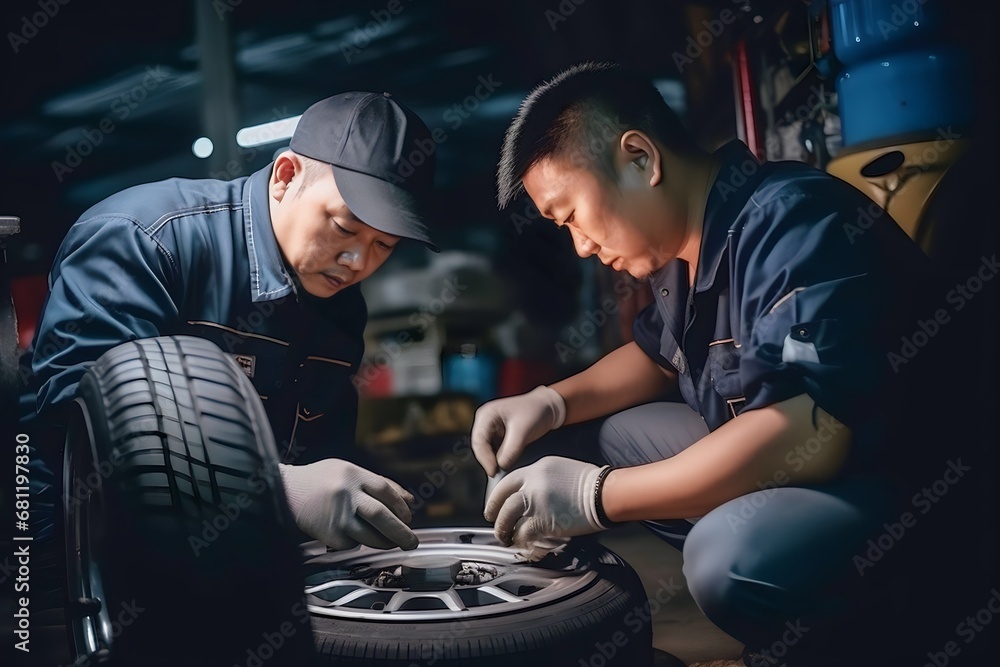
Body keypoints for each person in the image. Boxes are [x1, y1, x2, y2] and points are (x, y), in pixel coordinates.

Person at [473, 62, 957, 664]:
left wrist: (599, 496)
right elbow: (655, 360)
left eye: (570, 215)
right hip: (805, 468)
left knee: (727, 558)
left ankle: (879, 637)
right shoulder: (684, 251)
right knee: (610, 434)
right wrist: (548, 401)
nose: (580, 245)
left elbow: (814, 432)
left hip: (905, 494)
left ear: (640, 159)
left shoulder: (791, 221)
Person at [21, 91, 438, 552]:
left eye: (385, 246)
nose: (358, 260)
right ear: (285, 177)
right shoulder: (143, 240)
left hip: (228, 555)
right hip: (79, 555)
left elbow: (319, 452)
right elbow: (87, 429)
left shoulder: (339, 304)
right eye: (343, 228)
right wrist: (271, 488)